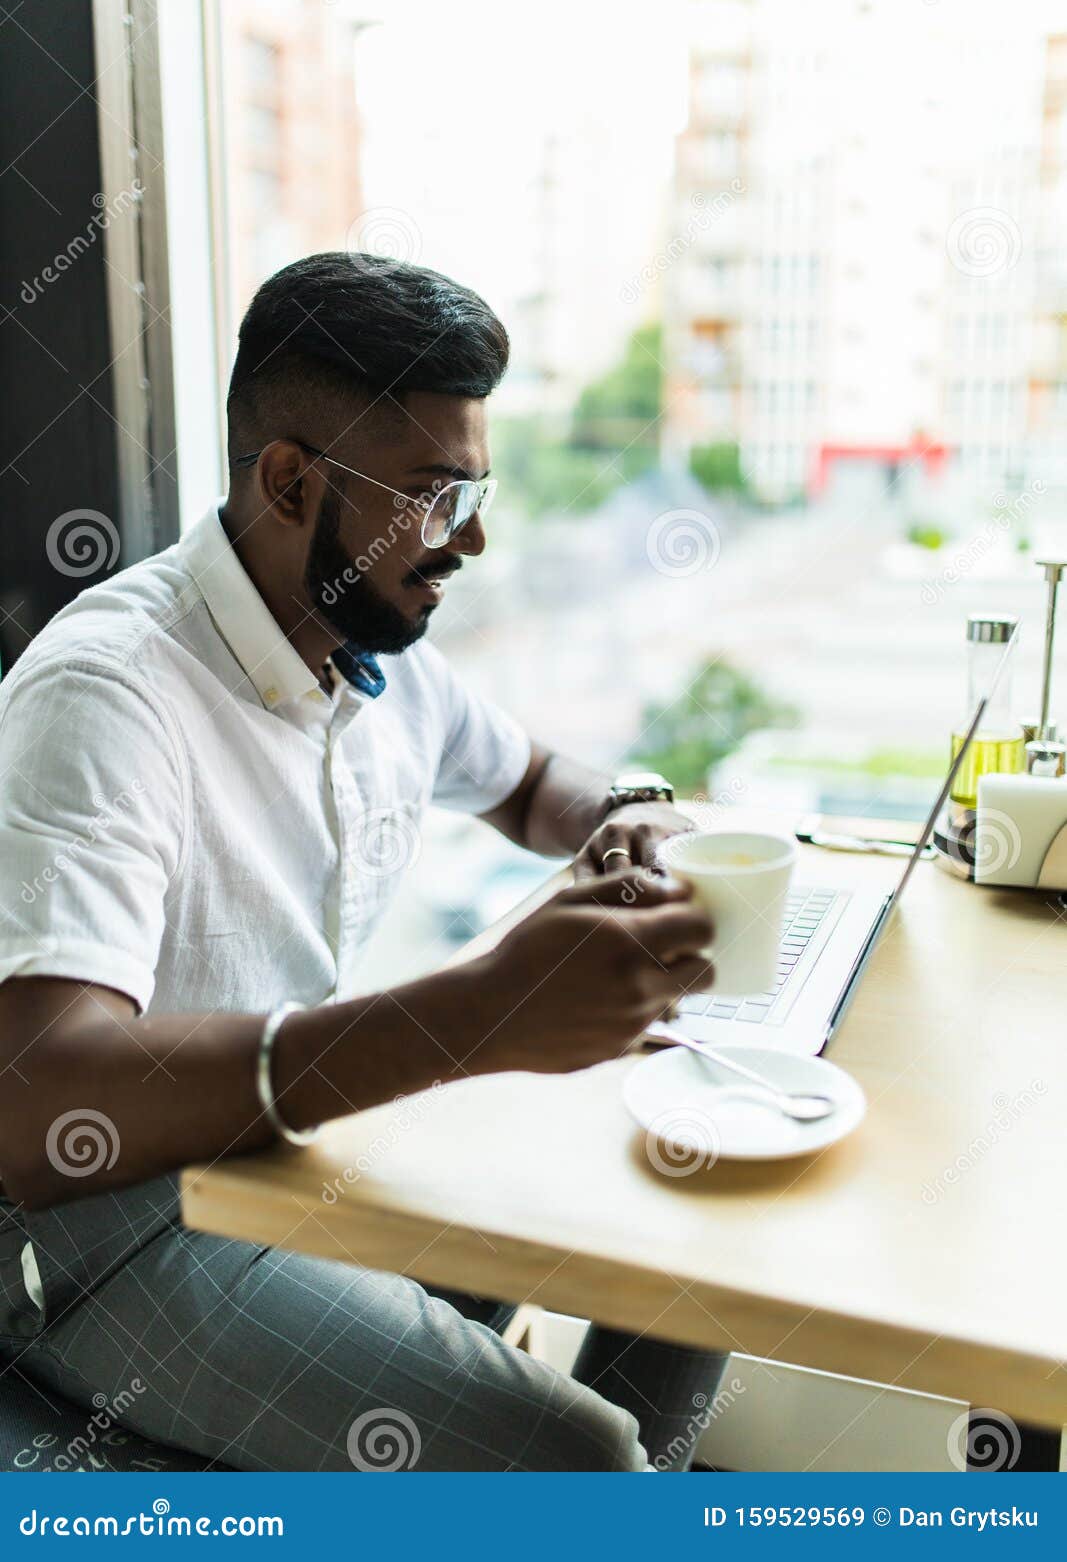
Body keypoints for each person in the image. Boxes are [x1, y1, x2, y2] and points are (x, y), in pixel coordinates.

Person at [0, 253, 725, 1472]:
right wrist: (475, 1016)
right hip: (95, 1228)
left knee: (684, 1239)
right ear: (291, 481)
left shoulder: (371, 643)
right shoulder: (110, 694)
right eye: (435, 497)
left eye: (476, 491)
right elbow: (42, 1108)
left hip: (282, 1151)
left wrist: (629, 814)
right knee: (580, 1460)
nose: (473, 537)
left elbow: (533, 784)